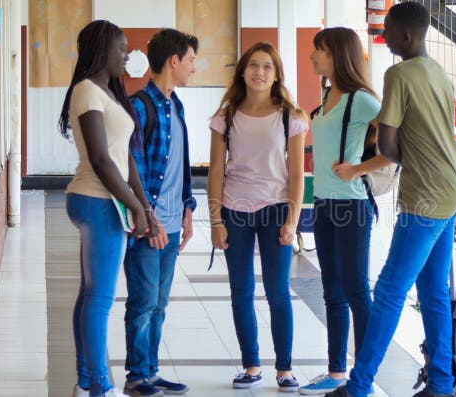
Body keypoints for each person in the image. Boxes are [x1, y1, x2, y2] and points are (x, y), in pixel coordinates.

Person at [324, 3, 456, 397]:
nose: (382, 35)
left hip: (427, 195)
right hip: (454, 186)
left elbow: (388, 143)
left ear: (405, 36)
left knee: (389, 289)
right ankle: (440, 385)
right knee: (434, 290)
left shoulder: (398, 73)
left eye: (386, 30)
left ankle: (358, 385)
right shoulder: (436, 70)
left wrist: (403, 152)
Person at [58, 20, 158, 397]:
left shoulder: (106, 91)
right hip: (96, 200)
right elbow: (101, 160)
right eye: (121, 48)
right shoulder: (86, 91)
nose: (127, 55)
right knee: (100, 298)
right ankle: (100, 385)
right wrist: (134, 207)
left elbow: (124, 156)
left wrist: (142, 204)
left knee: (90, 295)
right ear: (102, 51)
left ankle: (86, 382)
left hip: (105, 200)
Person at [207, 42, 307, 393]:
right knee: (241, 291)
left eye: (267, 66)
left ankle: (285, 368)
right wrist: (216, 221)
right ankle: (251, 365)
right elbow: (216, 171)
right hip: (234, 210)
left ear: (277, 74)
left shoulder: (291, 117)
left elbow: (297, 175)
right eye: (253, 65)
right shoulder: (226, 116)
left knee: (278, 291)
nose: (259, 72)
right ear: (243, 72)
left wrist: (292, 221)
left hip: (276, 210)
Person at [298, 27, 392, 395]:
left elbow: (397, 145)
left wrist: (357, 169)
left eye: (318, 50)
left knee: (355, 291)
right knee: (332, 291)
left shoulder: (361, 101)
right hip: (324, 204)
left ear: (337, 54)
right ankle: (336, 372)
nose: (312, 56)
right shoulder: (326, 99)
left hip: (351, 207)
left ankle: (365, 376)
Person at [121, 28, 198, 397]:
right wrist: (147, 219)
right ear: (174, 60)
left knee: (159, 304)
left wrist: (188, 208)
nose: (194, 68)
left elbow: (180, 164)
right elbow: (132, 166)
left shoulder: (176, 105)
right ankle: (137, 375)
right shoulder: (139, 106)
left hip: (171, 223)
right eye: (191, 60)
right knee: (143, 302)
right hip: (148, 226)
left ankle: (150, 371)